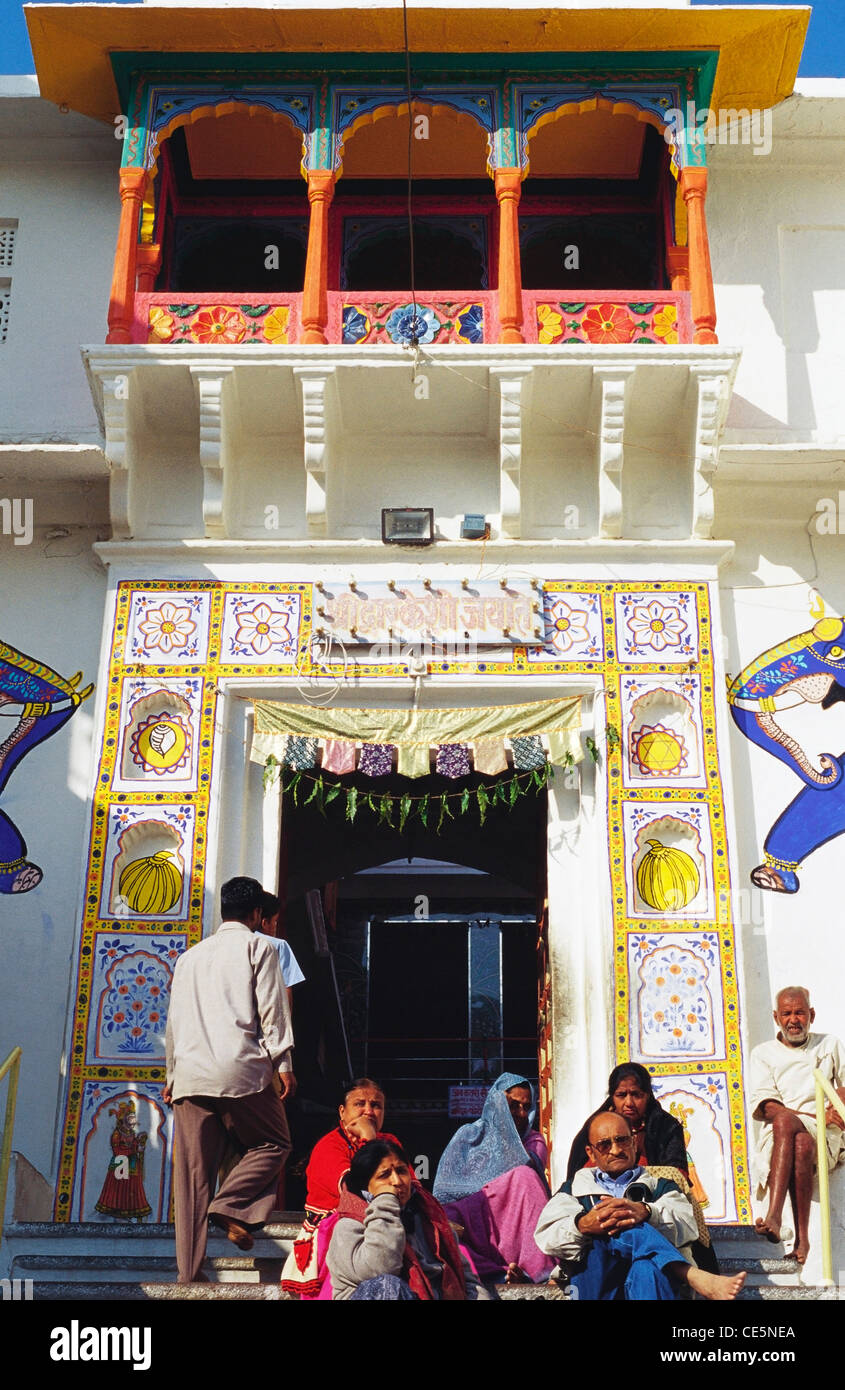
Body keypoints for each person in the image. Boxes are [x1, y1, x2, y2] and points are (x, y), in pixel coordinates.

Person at [164, 875, 295, 1283]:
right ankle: (230, 1204)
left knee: (191, 1179)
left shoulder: (189, 957)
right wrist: (284, 1062)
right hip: (241, 1069)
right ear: (257, 913)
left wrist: (171, 1073)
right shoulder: (259, 946)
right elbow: (272, 1009)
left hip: (189, 1073)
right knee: (274, 1141)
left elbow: (174, 1023)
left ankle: (188, 1274)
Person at [535, 1113, 746, 1301]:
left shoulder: (661, 1185)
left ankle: (671, 1266)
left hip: (651, 1282)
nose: (616, 1150)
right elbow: (546, 1235)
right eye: (605, 1144)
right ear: (591, 1153)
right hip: (597, 1280)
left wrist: (646, 1212)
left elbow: (687, 1226)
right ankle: (687, 1272)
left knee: (646, 1267)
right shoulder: (574, 1188)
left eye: (622, 1140)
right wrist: (582, 1225)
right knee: (612, 1221)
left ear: (635, 1143)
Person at [567, 1061, 718, 1273]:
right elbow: (578, 1177)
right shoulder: (594, 1129)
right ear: (612, 1096)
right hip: (600, 1208)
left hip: (651, 1205)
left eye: (636, 1094)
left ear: (648, 1095)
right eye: (621, 1095)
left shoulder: (665, 1126)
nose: (629, 1102)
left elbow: (676, 1176)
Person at [324, 1140, 493, 1300]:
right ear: (365, 1186)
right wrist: (385, 1200)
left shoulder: (429, 1219)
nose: (397, 1181)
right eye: (384, 1175)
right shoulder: (348, 1227)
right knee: (388, 1285)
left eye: (401, 1171)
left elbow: (467, 1280)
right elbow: (382, 1268)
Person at [749, 985, 845, 1264]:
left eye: (800, 1013)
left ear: (811, 1015)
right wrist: (812, 1117)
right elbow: (766, 1106)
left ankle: (774, 1215)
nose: (794, 1020)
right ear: (776, 1017)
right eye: (787, 1013)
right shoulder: (763, 1053)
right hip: (781, 1139)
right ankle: (803, 1240)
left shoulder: (829, 1045)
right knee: (793, 1132)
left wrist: (837, 1103)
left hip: (825, 1136)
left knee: (795, 1129)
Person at [282, 1078, 400, 1296]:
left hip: (385, 1220)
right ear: (342, 1112)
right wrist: (370, 1141)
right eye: (359, 1104)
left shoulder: (390, 1141)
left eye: (376, 1105)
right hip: (339, 1230)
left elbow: (409, 1187)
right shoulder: (329, 1146)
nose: (368, 1111)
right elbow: (356, 1194)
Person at [433, 1072, 554, 1284]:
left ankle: (535, 1271)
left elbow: (523, 1168)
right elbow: (444, 1192)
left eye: (526, 1107)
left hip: (512, 1217)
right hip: (473, 1217)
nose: (521, 1113)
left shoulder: (534, 1140)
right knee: (440, 1226)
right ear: (497, 1103)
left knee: (525, 1176)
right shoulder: (468, 1134)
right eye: (513, 1105)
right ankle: (499, 1272)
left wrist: (505, 1133)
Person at [258, 890, 306, 1011]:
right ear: (265, 923)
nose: (275, 926)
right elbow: (286, 989)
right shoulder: (278, 945)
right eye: (275, 922)